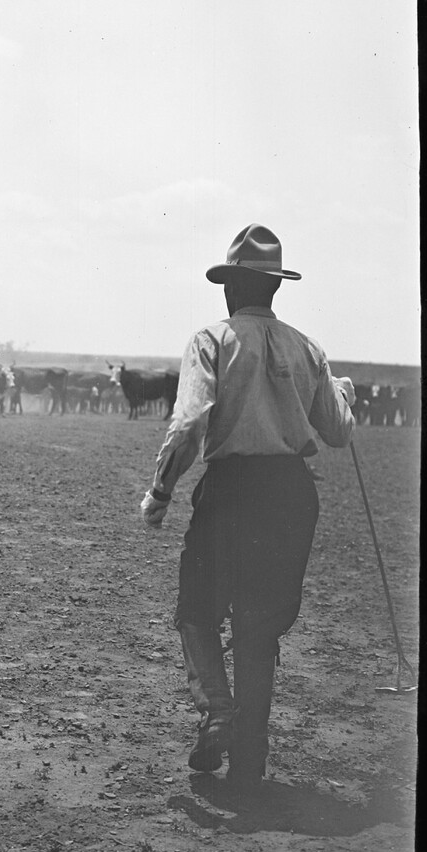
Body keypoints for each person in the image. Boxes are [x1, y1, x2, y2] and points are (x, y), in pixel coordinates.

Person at [139, 224, 356, 794]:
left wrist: (160, 492)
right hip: (290, 494)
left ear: (230, 287)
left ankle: (218, 710)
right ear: (275, 288)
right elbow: (337, 432)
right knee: (261, 631)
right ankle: (249, 765)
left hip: (232, 490)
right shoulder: (308, 348)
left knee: (197, 608)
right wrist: (345, 397)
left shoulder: (210, 341)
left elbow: (188, 425)